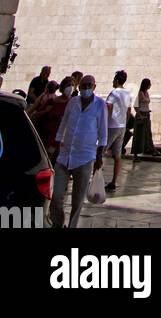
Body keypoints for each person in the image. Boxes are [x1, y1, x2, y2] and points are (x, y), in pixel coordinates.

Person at [49, 74, 107, 229]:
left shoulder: (100, 104)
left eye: (89, 85)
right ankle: (57, 222)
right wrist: (57, 144)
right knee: (56, 195)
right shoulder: (73, 102)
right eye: (83, 85)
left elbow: (103, 133)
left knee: (77, 199)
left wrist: (99, 156)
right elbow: (64, 124)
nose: (86, 88)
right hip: (65, 154)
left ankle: (72, 225)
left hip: (85, 156)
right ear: (79, 87)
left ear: (94, 87)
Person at [103, 70, 132, 193]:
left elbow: (108, 107)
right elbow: (129, 111)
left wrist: (104, 122)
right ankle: (114, 181)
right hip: (122, 126)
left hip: (112, 126)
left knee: (100, 152)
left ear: (116, 80)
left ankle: (94, 178)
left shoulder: (114, 93)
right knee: (117, 156)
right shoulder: (127, 94)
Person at [34, 77, 74, 160]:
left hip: (64, 137)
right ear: (63, 87)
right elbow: (42, 114)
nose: (70, 87)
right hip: (50, 134)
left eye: (72, 85)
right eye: (68, 85)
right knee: (47, 157)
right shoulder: (53, 101)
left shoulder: (74, 103)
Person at [131, 78, 156, 158]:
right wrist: (139, 115)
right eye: (149, 84)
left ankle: (150, 149)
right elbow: (135, 106)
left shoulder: (146, 93)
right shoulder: (141, 93)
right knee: (138, 134)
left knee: (148, 133)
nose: (150, 85)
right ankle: (136, 154)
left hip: (147, 114)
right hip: (141, 114)